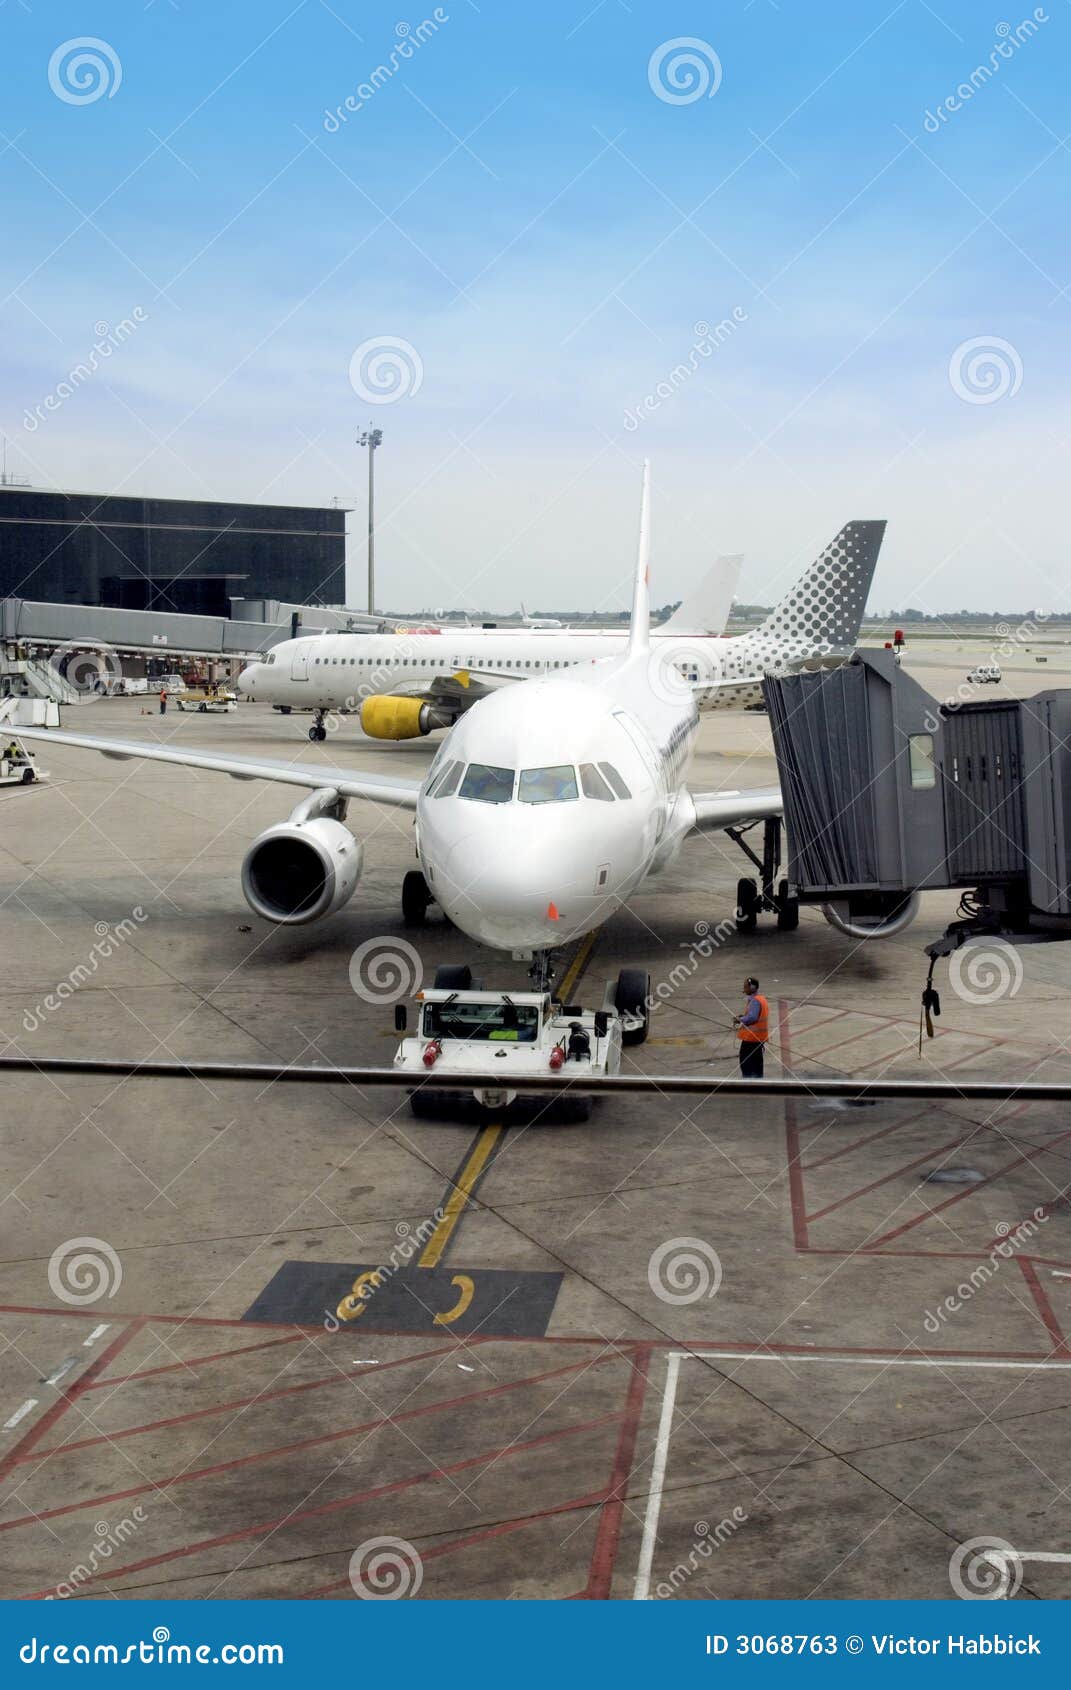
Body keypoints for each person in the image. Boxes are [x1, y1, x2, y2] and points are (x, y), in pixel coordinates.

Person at [733, 976, 769, 1079]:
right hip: (759, 1037)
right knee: (757, 1062)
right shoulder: (761, 999)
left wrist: (740, 1020)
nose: (743, 990)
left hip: (752, 1038)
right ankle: (758, 1081)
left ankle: (748, 1083)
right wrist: (743, 1017)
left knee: (746, 1063)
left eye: (745, 987)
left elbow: (752, 1018)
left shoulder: (755, 1001)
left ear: (752, 988)